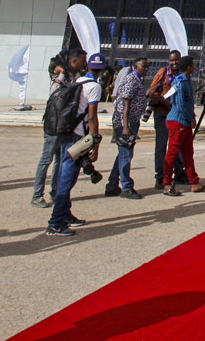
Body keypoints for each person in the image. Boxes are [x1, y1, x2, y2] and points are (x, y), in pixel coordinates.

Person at [45, 50, 102, 235]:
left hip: (67, 133)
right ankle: (55, 222)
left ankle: (65, 214)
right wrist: (94, 142)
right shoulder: (94, 87)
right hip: (78, 138)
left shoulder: (77, 82)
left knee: (66, 174)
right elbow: (92, 117)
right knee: (67, 178)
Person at [104, 56, 147, 200]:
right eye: (143, 66)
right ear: (135, 67)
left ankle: (112, 185)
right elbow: (126, 102)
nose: (146, 69)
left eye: (147, 67)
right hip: (125, 123)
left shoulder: (138, 80)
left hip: (132, 121)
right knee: (125, 155)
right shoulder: (131, 79)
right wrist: (125, 125)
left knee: (123, 154)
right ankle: (126, 187)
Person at [161, 56, 204, 195]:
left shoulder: (186, 80)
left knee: (188, 152)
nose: (195, 67)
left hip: (184, 121)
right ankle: (167, 183)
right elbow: (179, 105)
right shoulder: (180, 82)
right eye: (193, 65)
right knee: (172, 153)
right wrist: (189, 118)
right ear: (188, 67)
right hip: (178, 121)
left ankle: (194, 181)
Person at [31, 57, 70, 208]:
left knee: (60, 160)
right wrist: (62, 72)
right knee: (46, 159)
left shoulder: (66, 80)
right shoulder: (57, 82)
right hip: (53, 126)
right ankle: (37, 195)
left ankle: (55, 192)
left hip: (63, 126)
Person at [147, 50, 187, 188]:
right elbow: (151, 91)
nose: (174, 63)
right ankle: (160, 176)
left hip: (177, 115)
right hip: (162, 114)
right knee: (161, 146)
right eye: (172, 60)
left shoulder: (182, 76)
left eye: (176, 60)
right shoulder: (163, 73)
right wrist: (163, 100)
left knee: (178, 145)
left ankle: (179, 173)